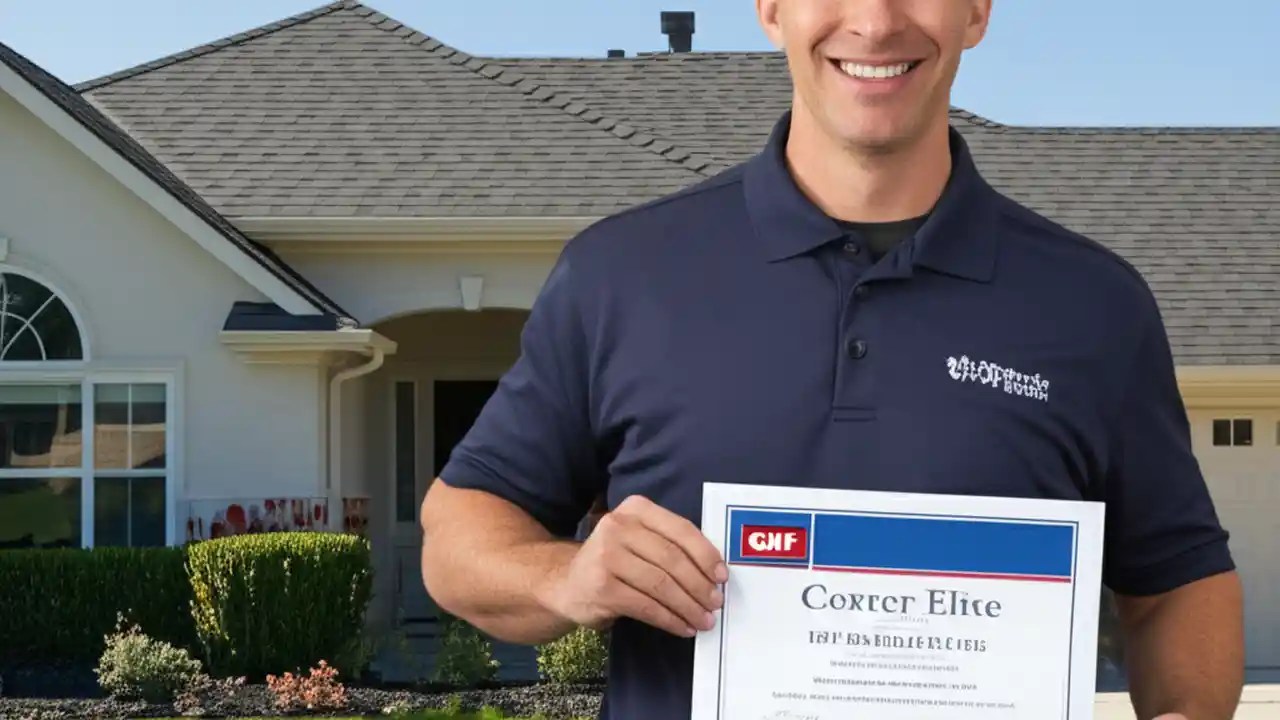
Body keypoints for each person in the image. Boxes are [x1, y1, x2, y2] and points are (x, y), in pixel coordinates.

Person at [419, 1, 1245, 718]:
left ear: (977, 11)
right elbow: (457, 533)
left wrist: (1187, 712)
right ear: (772, 7)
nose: (877, 21)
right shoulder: (623, 276)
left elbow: (1179, 582)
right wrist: (566, 578)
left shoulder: (1093, 305)